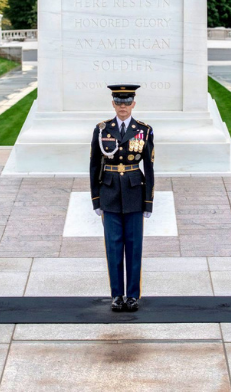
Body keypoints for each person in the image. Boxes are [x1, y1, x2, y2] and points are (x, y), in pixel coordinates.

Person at [89, 84, 155, 313]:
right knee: (114, 247)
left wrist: (148, 201)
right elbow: (94, 165)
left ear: (133, 104)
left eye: (127, 102)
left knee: (134, 246)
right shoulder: (102, 129)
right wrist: (96, 199)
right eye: (119, 102)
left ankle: (133, 295)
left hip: (134, 192)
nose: (123, 106)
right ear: (113, 104)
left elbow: (149, 166)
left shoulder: (143, 130)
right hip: (109, 193)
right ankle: (117, 295)